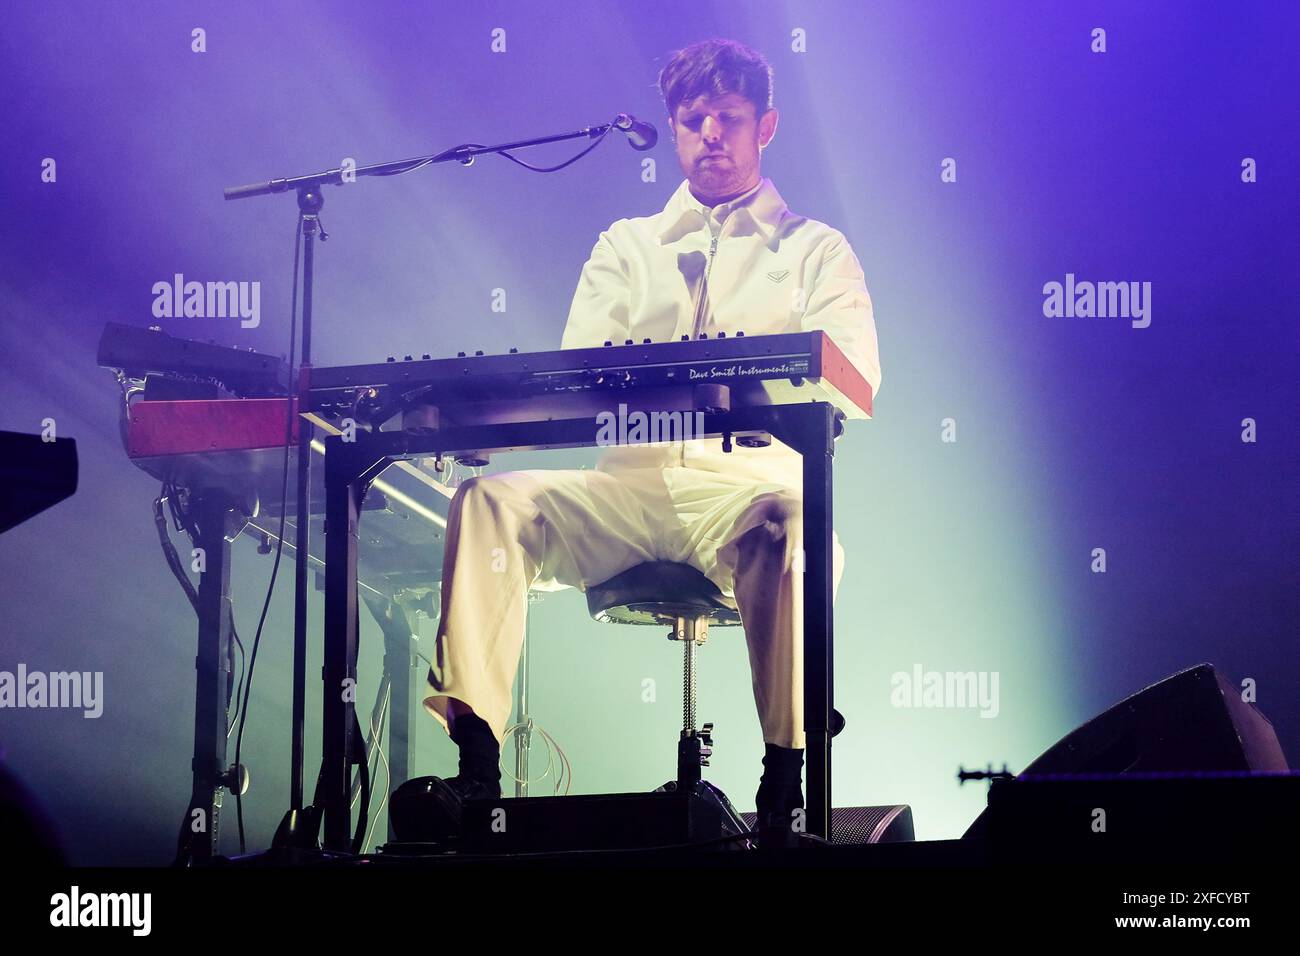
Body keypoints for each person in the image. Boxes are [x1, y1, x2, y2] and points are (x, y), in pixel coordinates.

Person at [411, 38, 881, 835]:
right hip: (625, 487)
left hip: (742, 489)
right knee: (486, 502)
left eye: (727, 117)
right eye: (692, 119)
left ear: (765, 128)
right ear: (673, 128)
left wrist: (743, 385)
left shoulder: (815, 249)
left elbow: (855, 385)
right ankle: (478, 768)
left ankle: (784, 777)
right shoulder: (626, 246)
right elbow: (577, 381)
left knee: (796, 526)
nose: (709, 134)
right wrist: (488, 426)